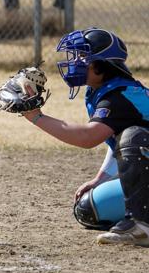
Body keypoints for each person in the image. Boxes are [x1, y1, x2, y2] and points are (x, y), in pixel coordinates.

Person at [22, 28, 149, 246]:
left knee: (133, 136)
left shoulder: (120, 96)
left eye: (82, 57)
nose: (74, 62)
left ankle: (141, 225)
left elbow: (88, 137)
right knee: (88, 208)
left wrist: (36, 117)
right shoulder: (107, 91)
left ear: (101, 66)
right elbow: (120, 142)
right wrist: (100, 178)